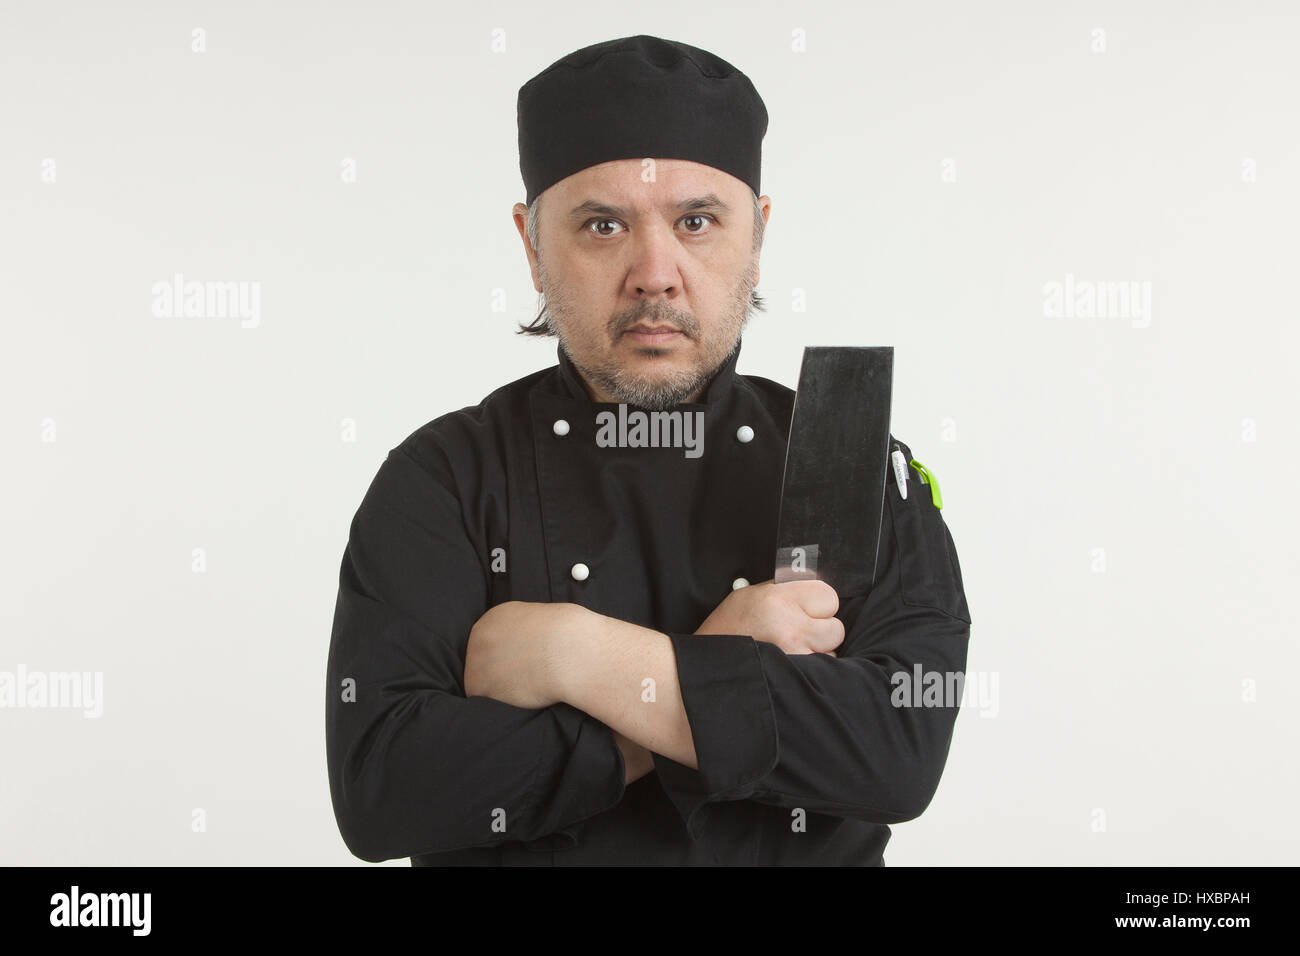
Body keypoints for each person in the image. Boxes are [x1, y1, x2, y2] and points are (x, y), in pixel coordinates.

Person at [325, 34, 972, 866]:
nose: (654, 274)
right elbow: (386, 794)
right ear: (531, 244)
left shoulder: (850, 458)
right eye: (602, 225)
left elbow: (893, 757)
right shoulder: (445, 476)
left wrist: (576, 655)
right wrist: (721, 680)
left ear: (758, 234)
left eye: (697, 221)